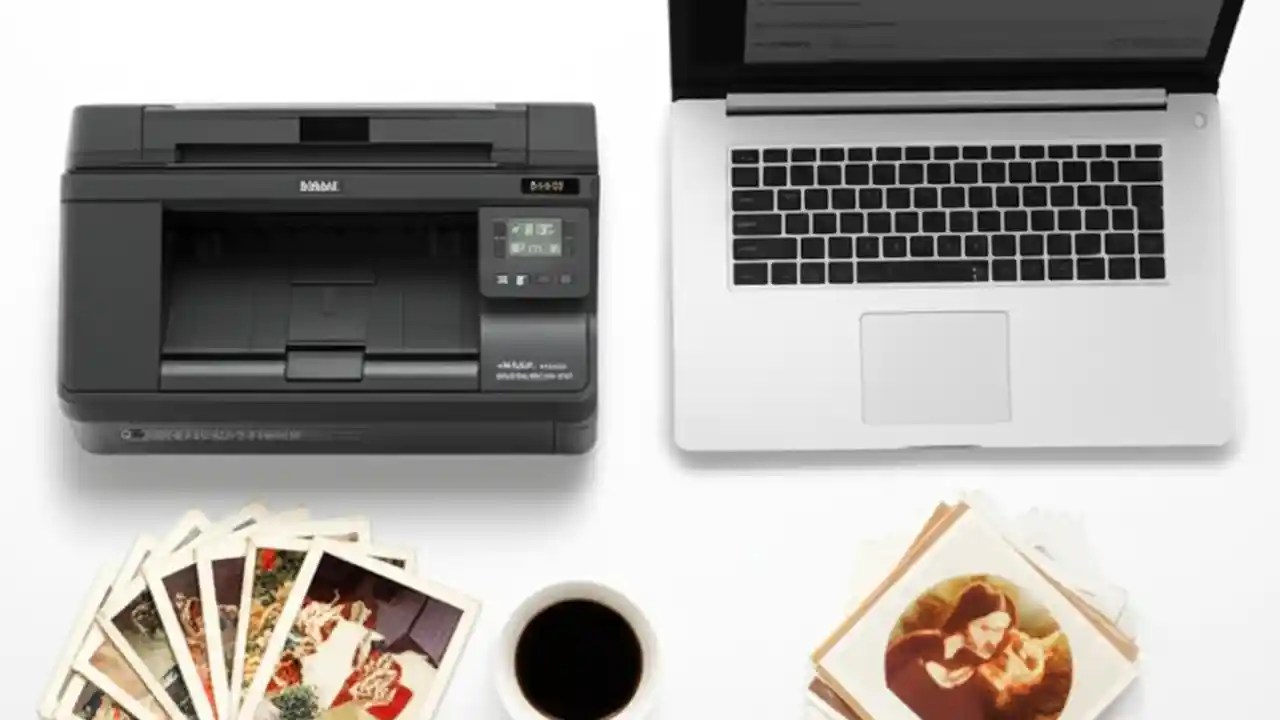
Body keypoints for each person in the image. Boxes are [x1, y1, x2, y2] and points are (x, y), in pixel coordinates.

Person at [885, 581, 1018, 720]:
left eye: (1000, 631)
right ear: (964, 622)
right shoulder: (918, 645)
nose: (993, 640)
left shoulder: (983, 690)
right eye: (985, 629)